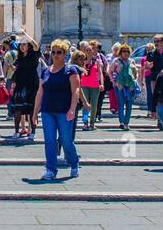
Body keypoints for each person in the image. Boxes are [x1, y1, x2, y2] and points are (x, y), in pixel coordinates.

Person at [33, 39, 82, 181]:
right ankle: (50, 169)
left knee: (66, 141)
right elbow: (40, 92)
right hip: (48, 110)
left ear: (65, 54)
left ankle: (74, 163)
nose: (55, 55)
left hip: (64, 110)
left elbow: (76, 90)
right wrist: (35, 111)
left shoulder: (70, 70)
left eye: (59, 52)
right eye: (53, 52)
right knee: (49, 141)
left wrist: (72, 108)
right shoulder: (46, 71)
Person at [9, 38, 43, 140]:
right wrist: (13, 83)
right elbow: (17, 72)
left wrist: (26, 35)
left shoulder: (34, 55)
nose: (22, 46)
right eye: (21, 45)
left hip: (31, 83)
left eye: (25, 44)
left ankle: (33, 131)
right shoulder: (19, 57)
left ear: (29, 46)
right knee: (17, 108)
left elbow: (36, 46)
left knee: (32, 108)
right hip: (20, 84)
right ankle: (16, 131)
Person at [110, 44, 139, 130]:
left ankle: (127, 122)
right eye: (124, 51)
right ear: (120, 52)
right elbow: (110, 71)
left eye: (127, 51)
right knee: (121, 103)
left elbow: (136, 73)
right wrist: (113, 81)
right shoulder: (116, 60)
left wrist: (135, 80)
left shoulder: (132, 61)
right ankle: (122, 122)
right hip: (120, 85)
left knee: (129, 105)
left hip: (130, 85)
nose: (126, 53)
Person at [144, 35, 163, 121]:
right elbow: (146, 66)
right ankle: (159, 118)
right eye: (155, 41)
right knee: (157, 97)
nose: (156, 43)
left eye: (158, 41)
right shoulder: (150, 54)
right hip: (155, 78)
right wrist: (148, 66)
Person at [79, 44, 103, 130]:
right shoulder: (81, 61)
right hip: (84, 84)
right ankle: (85, 122)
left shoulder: (97, 61)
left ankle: (92, 123)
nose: (89, 52)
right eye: (87, 50)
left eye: (90, 50)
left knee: (94, 105)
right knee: (85, 104)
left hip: (95, 85)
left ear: (92, 51)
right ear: (84, 52)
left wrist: (102, 84)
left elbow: (100, 73)